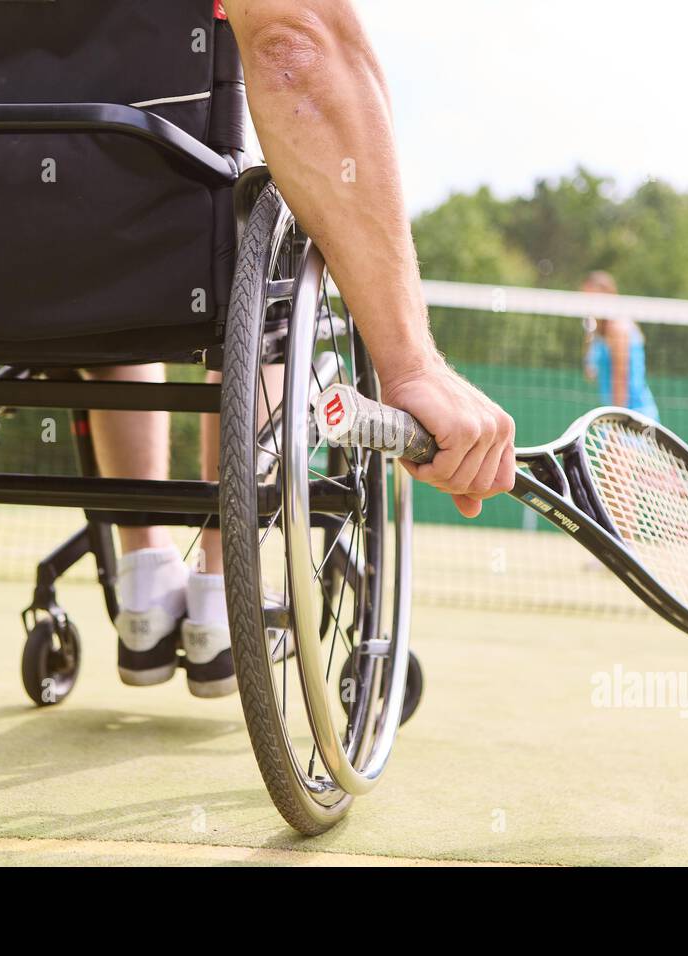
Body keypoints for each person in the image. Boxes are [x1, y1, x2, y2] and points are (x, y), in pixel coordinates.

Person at [90, 0, 516, 698]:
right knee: (247, 276)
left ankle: (143, 579)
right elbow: (297, 48)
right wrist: (411, 363)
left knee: (92, 280)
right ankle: (221, 590)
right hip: (151, 243)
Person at [580, 271, 660, 421]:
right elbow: (590, 373)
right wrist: (589, 333)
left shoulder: (618, 328)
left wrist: (616, 422)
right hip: (616, 413)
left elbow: (620, 380)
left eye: (592, 298)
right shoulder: (599, 332)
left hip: (634, 416)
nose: (588, 304)